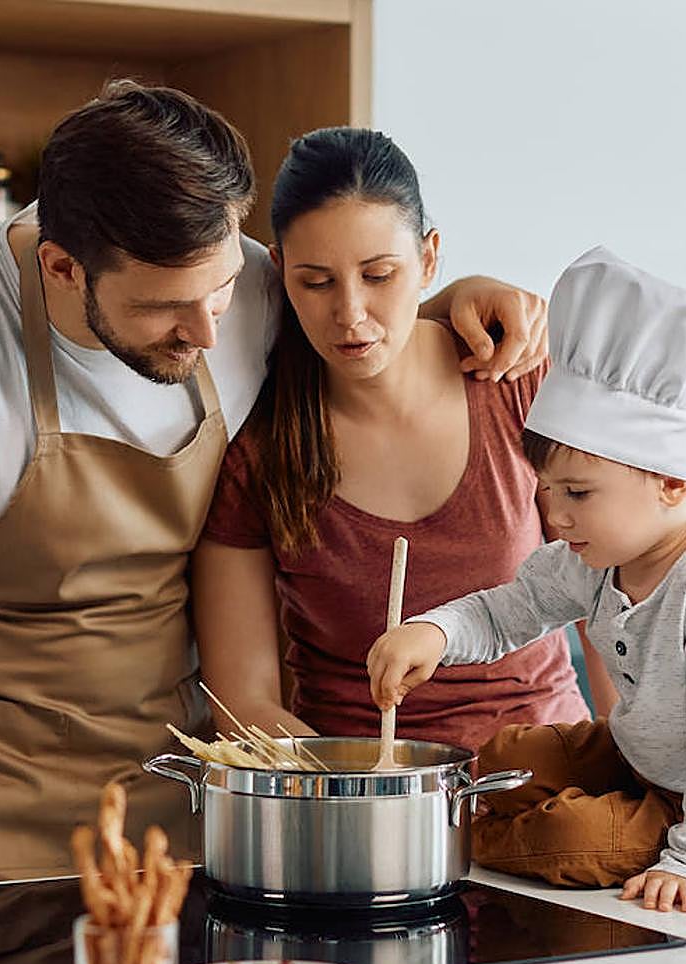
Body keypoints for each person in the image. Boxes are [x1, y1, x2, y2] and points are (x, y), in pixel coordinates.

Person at [0, 81, 550, 928]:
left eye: (225, 290)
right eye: (166, 309)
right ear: (61, 267)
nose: (207, 334)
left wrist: (458, 299)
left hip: (186, 777)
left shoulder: (244, 285)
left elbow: (361, 310)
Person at [366, 247, 686, 914]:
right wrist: (433, 632)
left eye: (577, 491)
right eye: (547, 491)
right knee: (500, 756)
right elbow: (508, 611)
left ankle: (470, 838)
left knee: (563, 837)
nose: (553, 514)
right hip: (647, 763)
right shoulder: (596, 557)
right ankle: (507, 819)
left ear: (673, 481)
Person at [193, 127, 597, 753]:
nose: (350, 314)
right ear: (279, 271)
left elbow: (611, 586)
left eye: (379, 275)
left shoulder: (517, 383)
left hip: (546, 773)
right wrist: (352, 795)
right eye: (316, 282)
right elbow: (243, 701)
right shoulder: (261, 452)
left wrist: (636, 768)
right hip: (363, 793)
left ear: (430, 259)